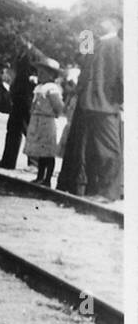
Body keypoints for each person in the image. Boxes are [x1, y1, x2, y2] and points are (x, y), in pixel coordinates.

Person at [60, 18, 123, 200]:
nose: (100, 21)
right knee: (85, 148)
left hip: (105, 105)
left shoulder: (118, 46)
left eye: (105, 19)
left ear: (115, 23)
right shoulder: (96, 41)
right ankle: (85, 189)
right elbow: (81, 60)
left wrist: (118, 101)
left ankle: (108, 193)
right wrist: (85, 36)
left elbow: (123, 75)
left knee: (109, 149)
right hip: (87, 103)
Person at [0, 41, 43, 168]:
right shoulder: (21, 55)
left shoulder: (35, 55)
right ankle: (8, 161)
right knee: (13, 128)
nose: (19, 43)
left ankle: (34, 162)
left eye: (21, 40)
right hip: (19, 97)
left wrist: (33, 82)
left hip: (27, 97)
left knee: (29, 129)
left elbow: (39, 75)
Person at [24, 58, 65, 186]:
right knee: (40, 150)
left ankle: (47, 179)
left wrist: (55, 114)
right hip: (38, 120)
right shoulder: (39, 87)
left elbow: (58, 106)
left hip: (47, 121)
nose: (40, 75)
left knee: (48, 151)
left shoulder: (52, 88)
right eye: (39, 72)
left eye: (43, 73)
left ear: (52, 75)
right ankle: (40, 176)